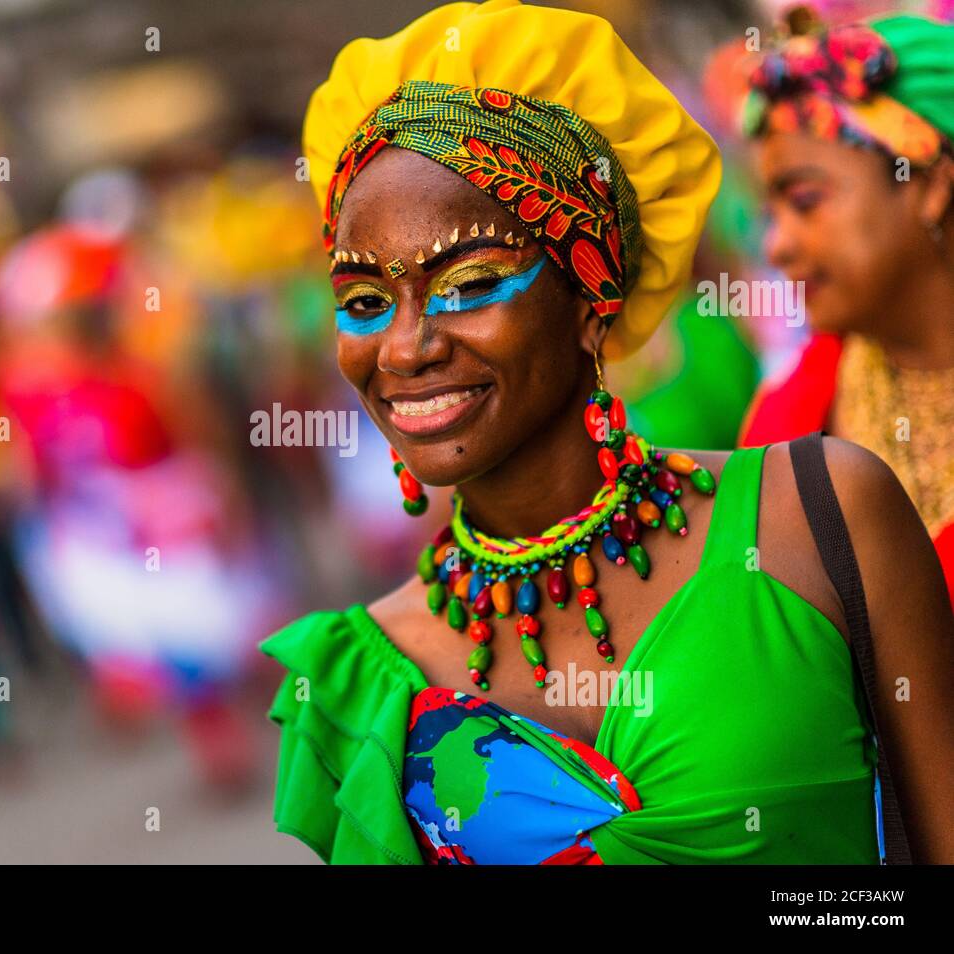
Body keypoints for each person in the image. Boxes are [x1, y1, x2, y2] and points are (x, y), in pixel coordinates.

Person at [259, 0, 954, 864]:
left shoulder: (817, 516)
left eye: (470, 281)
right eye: (365, 302)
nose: (406, 346)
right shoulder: (362, 691)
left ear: (594, 299)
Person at [736, 12, 954, 609]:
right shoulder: (786, 422)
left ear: (930, 184)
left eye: (806, 200)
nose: (777, 246)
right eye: (772, 212)